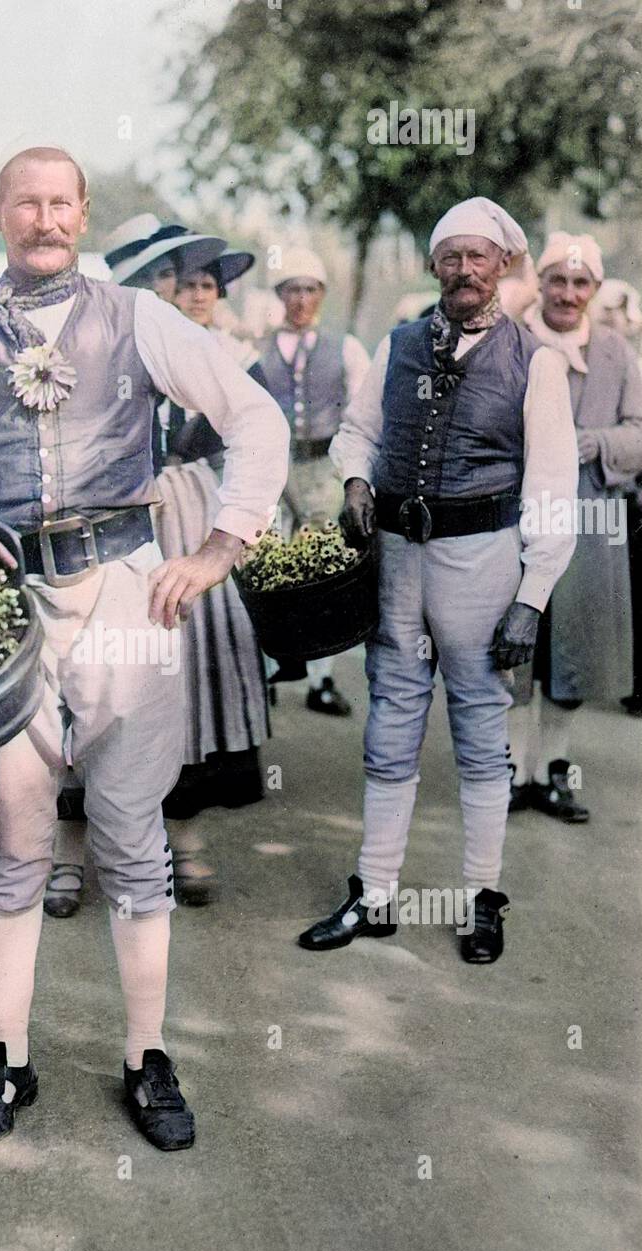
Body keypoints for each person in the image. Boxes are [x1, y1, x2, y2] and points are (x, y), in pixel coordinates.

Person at [0, 147, 288, 1150]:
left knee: (130, 831)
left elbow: (255, 416)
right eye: (26, 203)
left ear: (82, 214)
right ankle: (7, 1059)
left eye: (62, 203)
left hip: (123, 585)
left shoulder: (140, 317)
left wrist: (219, 546)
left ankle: (146, 1055)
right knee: (17, 836)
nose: (45, 219)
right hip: (10, 600)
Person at [302, 196, 577, 966]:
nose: (463, 270)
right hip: (399, 555)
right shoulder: (397, 346)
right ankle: (377, 893)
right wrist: (356, 484)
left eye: (477, 257)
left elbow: (554, 487)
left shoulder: (536, 361)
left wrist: (532, 597)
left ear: (504, 265)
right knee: (390, 717)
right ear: (432, 266)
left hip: (482, 557)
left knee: (482, 728)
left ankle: (482, 898)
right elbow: (358, 431)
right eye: (449, 257)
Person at [42, 215, 229, 918]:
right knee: (82, 689)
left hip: (177, 521)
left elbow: (237, 426)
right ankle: (68, 848)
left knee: (176, 683)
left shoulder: (196, 348)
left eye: (174, 277)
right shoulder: (82, 349)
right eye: (151, 276)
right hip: (99, 534)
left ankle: (179, 835)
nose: (169, 288)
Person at [152, 249, 272, 905]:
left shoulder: (233, 357)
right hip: (134, 513)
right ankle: (73, 847)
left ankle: (186, 842)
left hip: (203, 513)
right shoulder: (144, 348)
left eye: (208, 286)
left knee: (194, 672)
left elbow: (256, 442)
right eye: (185, 283)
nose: (197, 296)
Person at [507, 234, 642, 817]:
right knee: (516, 639)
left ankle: (555, 768)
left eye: (580, 282)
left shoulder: (616, 351)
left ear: (594, 289)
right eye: (557, 280)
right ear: (540, 282)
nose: (567, 293)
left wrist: (602, 441)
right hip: (518, 507)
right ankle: (511, 769)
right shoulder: (511, 339)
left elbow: (640, 428)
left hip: (592, 513)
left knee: (576, 645)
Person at [257, 248, 371, 711]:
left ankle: (322, 679)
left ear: (321, 294)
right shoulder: (259, 350)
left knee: (324, 566)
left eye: (309, 289)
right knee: (268, 561)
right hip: (275, 463)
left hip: (324, 465)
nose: (300, 299)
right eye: (292, 290)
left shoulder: (343, 347)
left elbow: (363, 411)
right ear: (279, 295)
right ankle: (267, 671)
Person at [590, 278, 642, 718]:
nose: (613, 322)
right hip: (604, 489)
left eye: (619, 315)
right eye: (605, 312)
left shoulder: (635, 365)